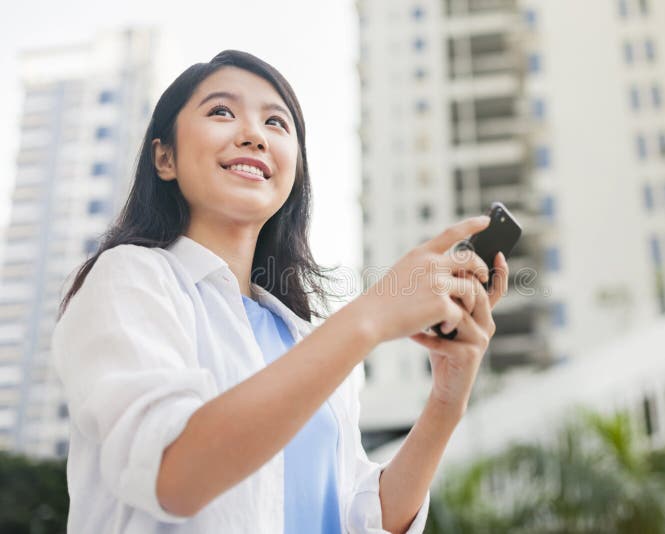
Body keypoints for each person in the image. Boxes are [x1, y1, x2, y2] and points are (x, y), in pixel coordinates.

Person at [51, 49, 509, 534]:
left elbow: (360, 518)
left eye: (276, 122)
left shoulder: (301, 337)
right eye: (221, 111)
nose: (253, 135)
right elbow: (174, 473)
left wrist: (446, 401)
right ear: (165, 157)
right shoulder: (130, 278)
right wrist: (371, 315)